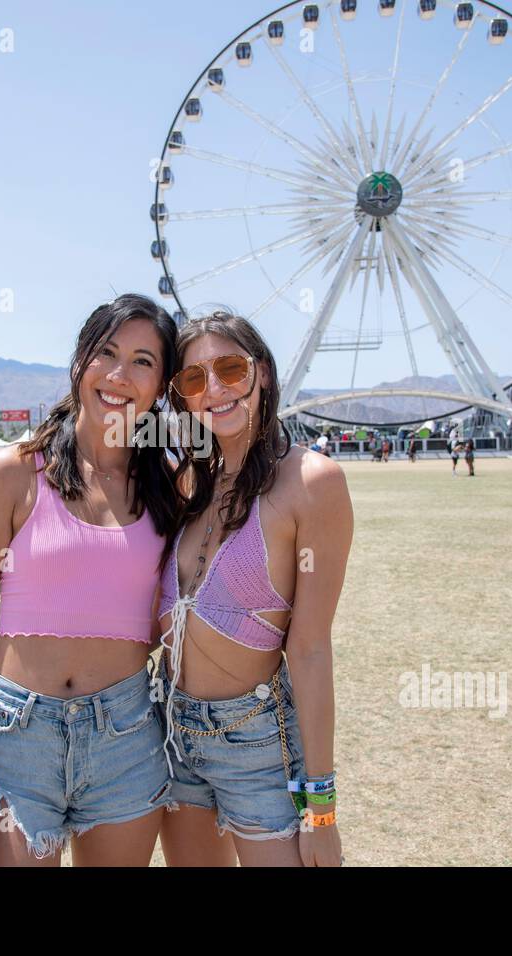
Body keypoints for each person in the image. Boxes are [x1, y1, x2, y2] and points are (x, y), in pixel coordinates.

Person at [0, 294, 183, 867]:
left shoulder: (170, 488)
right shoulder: (15, 474)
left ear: (162, 387)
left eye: (144, 361)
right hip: (15, 740)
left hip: (127, 739)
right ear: (80, 365)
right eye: (107, 353)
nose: (120, 375)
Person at [157, 312, 351, 867]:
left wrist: (322, 810)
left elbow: (310, 648)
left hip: (258, 743)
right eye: (192, 380)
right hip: (173, 737)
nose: (213, 389)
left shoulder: (313, 482)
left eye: (229, 368)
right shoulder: (188, 483)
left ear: (261, 372)